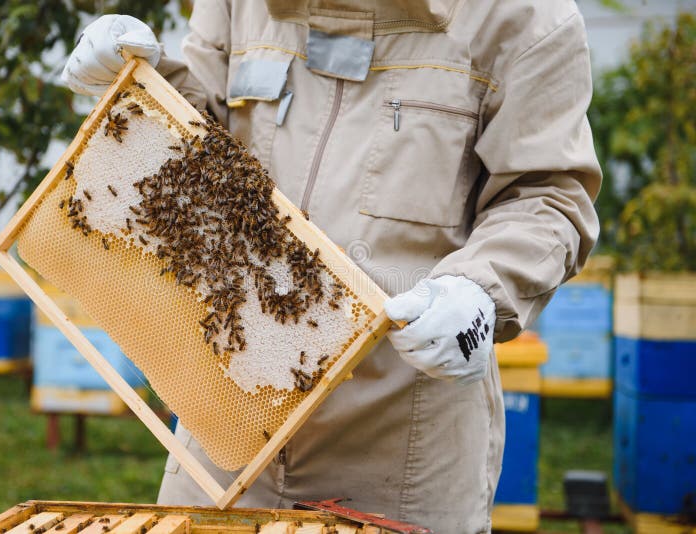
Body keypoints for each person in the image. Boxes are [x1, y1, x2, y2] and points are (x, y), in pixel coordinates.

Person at [62, 1, 601, 532]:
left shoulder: (527, 18)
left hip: (403, 449)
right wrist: (142, 82)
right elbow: (202, 136)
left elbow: (548, 194)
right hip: (226, 420)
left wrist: (482, 287)